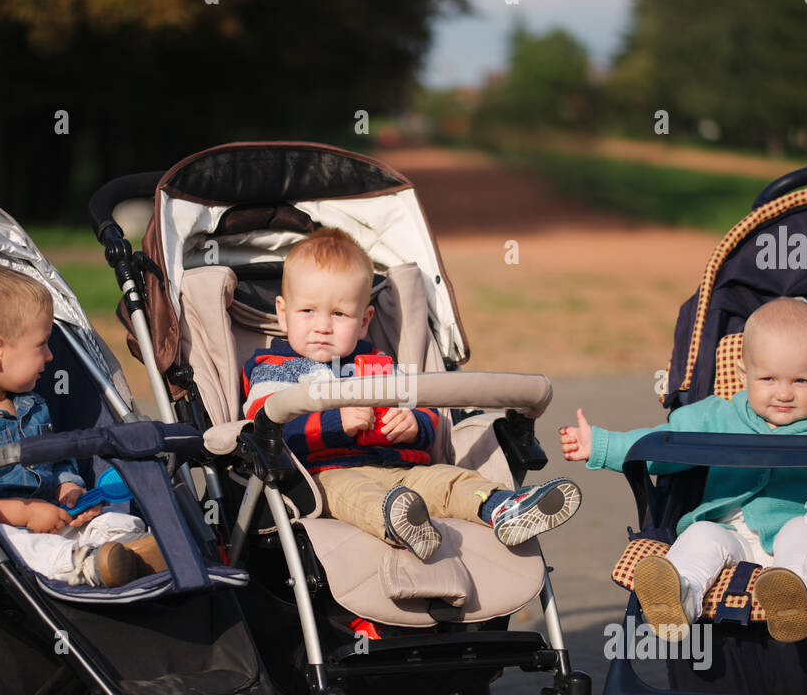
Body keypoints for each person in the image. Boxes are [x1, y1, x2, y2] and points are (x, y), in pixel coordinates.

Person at [559, 297, 807, 642]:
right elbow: (666, 443)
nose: (784, 394)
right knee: (699, 534)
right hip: (730, 532)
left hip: (806, 529)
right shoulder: (719, 416)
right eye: (768, 380)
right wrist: (601, 445)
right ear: (743, 374)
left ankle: (789, 596)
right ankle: (679, 599)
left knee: (805, 531)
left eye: (801, 382)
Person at [242, 227, 581, 560]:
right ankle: (401, 523)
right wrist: (334, 422)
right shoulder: (276, 367)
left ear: (363, 321)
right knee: (357, 495)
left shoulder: (378, 365)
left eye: (339, 314)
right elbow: (265, 429)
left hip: (403, 472)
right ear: (282, 314)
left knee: (449, 479)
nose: (322, 326)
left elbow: (427, 413)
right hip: (325, 476)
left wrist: (416, 424)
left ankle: (503, 508)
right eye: (307, 311)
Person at [0, 264, 163, 587]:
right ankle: (83, 564)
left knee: (112, 516)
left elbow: (58, 459)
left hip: (51, 517)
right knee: (17, 544)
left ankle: (118, 550)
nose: (50, 356)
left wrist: (69, 487)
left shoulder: (32, 404)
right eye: (41, 345)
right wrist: (27, 512)